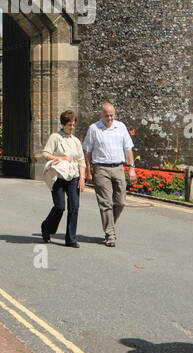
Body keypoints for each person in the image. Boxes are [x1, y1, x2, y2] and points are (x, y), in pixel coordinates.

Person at [82, 102, 135, 247]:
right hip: (101, 169)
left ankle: (109, 224)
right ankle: (110, 234)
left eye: (112, 115)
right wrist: (88, 171)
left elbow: (128, 148)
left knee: (121, 202)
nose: (110, 118)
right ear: (101, 115)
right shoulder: (94, 129)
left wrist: (132, 167)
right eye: (107, 115)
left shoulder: (121, 127)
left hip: (118, 167)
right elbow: (87, 151)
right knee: (105, 203)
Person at [40, 110, 85, 247]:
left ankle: (71, 239)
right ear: (63, 124)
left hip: (73, 176)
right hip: (58, 175)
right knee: (59, 207)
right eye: (69, 125)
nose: (71, 127)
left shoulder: (76, 141)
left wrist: (82, 178)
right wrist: (62, 158)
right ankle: (46, 228)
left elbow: (81, 160)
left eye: (73, 125)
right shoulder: (55, 137)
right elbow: (46, 154)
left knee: (74, 206)